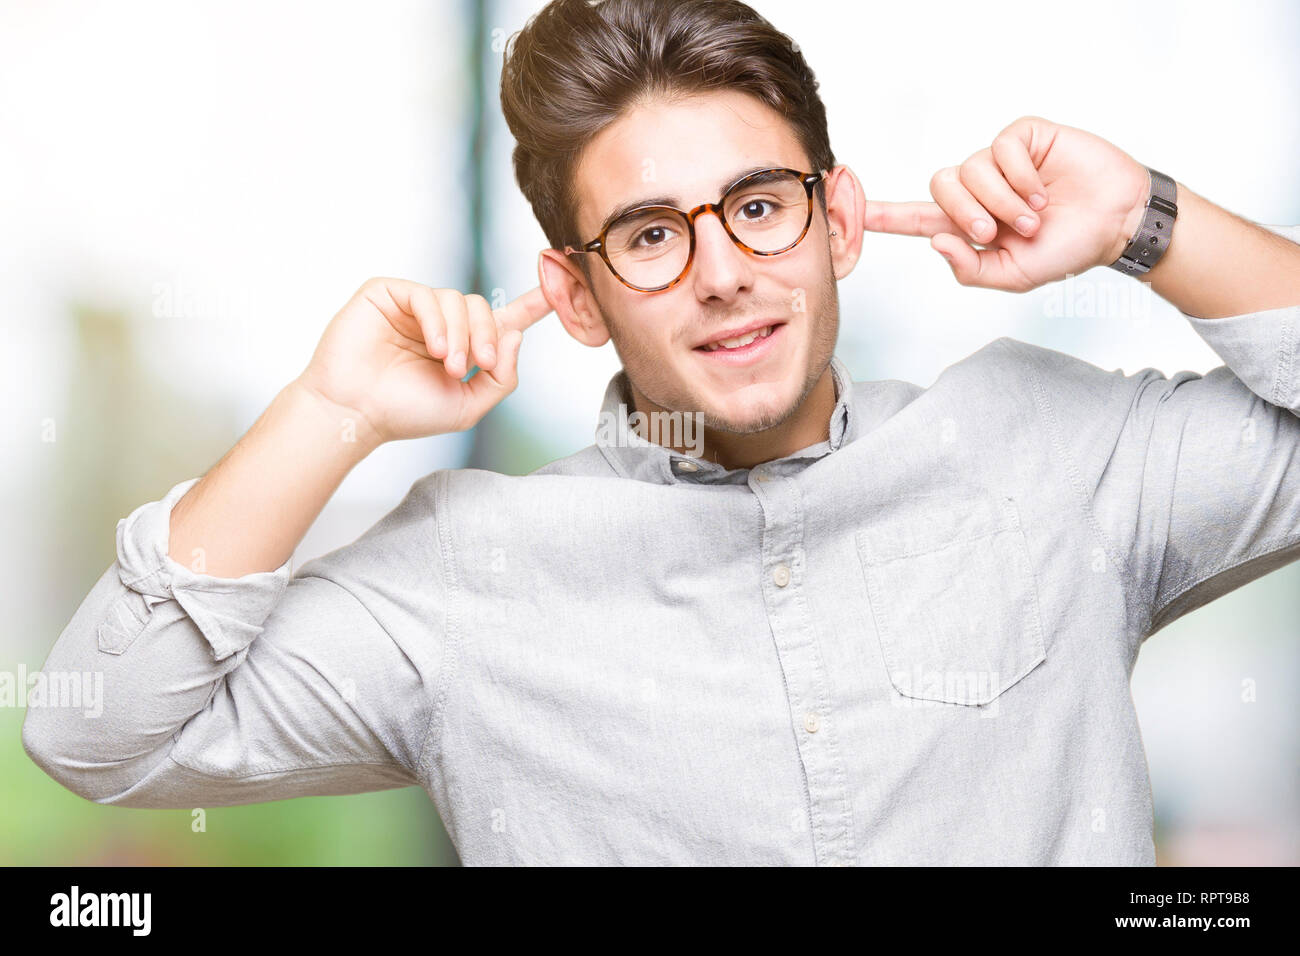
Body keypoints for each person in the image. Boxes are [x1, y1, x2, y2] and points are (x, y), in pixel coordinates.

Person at [22, 0, 1300, 865]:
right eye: (648, 234)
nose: (721, 271)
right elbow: (97, 731)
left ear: (839, 220)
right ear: (575, 295)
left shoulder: (1052, 450)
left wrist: (1147, 218)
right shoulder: (462, 572)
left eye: (757, 205)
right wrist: (330, 411)